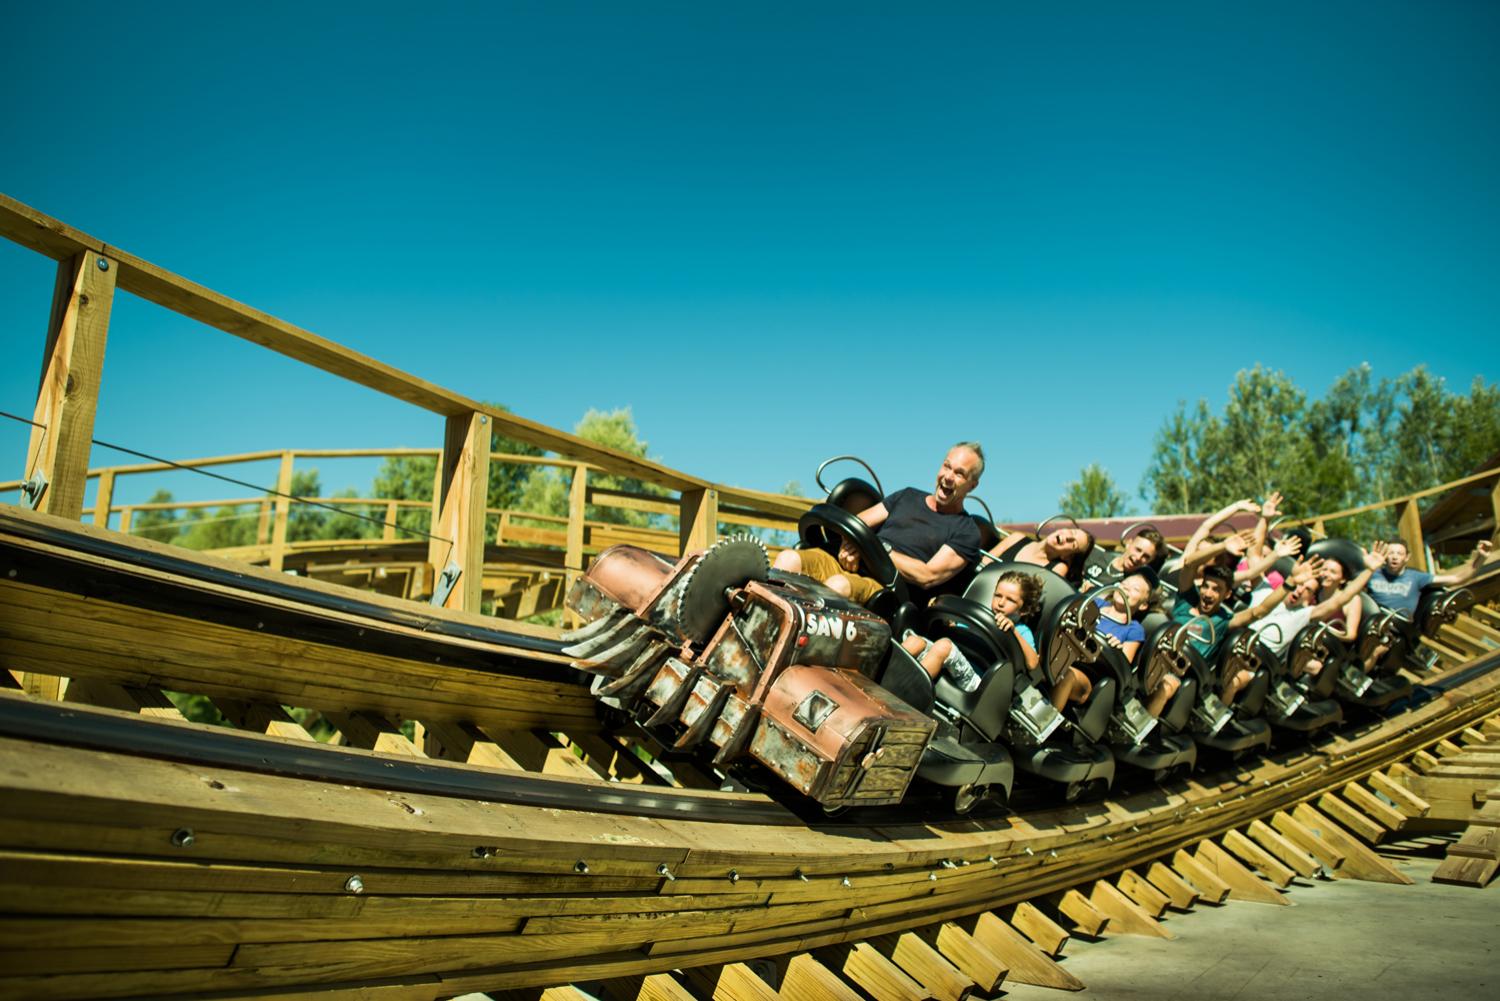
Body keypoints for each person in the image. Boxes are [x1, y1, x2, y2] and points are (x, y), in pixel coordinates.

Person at [773, 443, 985, 604]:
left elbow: (927, 575)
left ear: (972, 486)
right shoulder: (907, 495)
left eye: (959, 474)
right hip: (849, 563)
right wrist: (850, 544)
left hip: (885, 587)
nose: (948, 477)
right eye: (947, 466)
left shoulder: (966, 531)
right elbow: (858, 523)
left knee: (836, 586)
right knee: (788, 559)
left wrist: (874, 549)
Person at [1174, 540, 1320, 706]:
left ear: (1227, 594)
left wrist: (1291, 582)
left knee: (1170, 684)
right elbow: (1189, 564)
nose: (1208, 593)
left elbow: (1260, 610)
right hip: (1159, 661)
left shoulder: (1224, 620)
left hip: (1188, 673)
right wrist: (1222, 546)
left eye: (1216, 590)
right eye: (1206, 587)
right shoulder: (1185, 600)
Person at [1251, 543, 1386, 681]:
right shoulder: (1272, 595)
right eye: (1324, 569)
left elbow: (1340, 602)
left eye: (1332, 572)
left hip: (1326, 647)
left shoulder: (1312, 610)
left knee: (1313, 665)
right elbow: (1253, 564)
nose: (1300, 589)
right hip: (1300, 643)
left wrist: (1369, 570)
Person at [902, 569, 1042, 693]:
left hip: (976, 678)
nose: (1001, 603)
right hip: (951, 658)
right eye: (998, 595)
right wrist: (945, 619)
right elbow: (956, 635)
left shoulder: (1021, 631)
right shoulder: (979, 616)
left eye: (1010, 600)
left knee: (944, 646)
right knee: (913, 641)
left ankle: (909, 692)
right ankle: (883, 681)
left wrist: (1013, 632)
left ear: (1024, 610)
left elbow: (1032, 663)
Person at [1052, 572, 1152, 710]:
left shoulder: (1133, 628)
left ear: (1143, 605)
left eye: (1135, 589)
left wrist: (1117, 649)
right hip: (1063, 654)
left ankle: (1045, 722)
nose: (1127, 589)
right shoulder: (1094, 603)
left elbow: (1124, 666)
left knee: (1066, 675)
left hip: (1089, 674)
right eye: (1125, 584)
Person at [1367, 539, 1493, 619]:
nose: (1394, 557)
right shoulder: (1372, 574)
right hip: (1370, 622)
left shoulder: (1416, 577)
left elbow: (1457, 578)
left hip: (1397, 628)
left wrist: (1480, 558)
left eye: (1399, 554)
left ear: (1407, 557)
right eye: (1391, 553)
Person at [988, 524, 1096, 586]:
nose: (1068, 537)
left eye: (1073, 544)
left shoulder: (1058, 568)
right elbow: (984, 561)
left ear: (1067, 556)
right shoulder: (1016, 538)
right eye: (1072, 532)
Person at [1081, 527, 1166, 591]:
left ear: (1151, 560)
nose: (1138, 557)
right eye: (1138, 550)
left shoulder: (1135, 585)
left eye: (1146, 556)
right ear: (1128, 543)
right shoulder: (1095, 556)